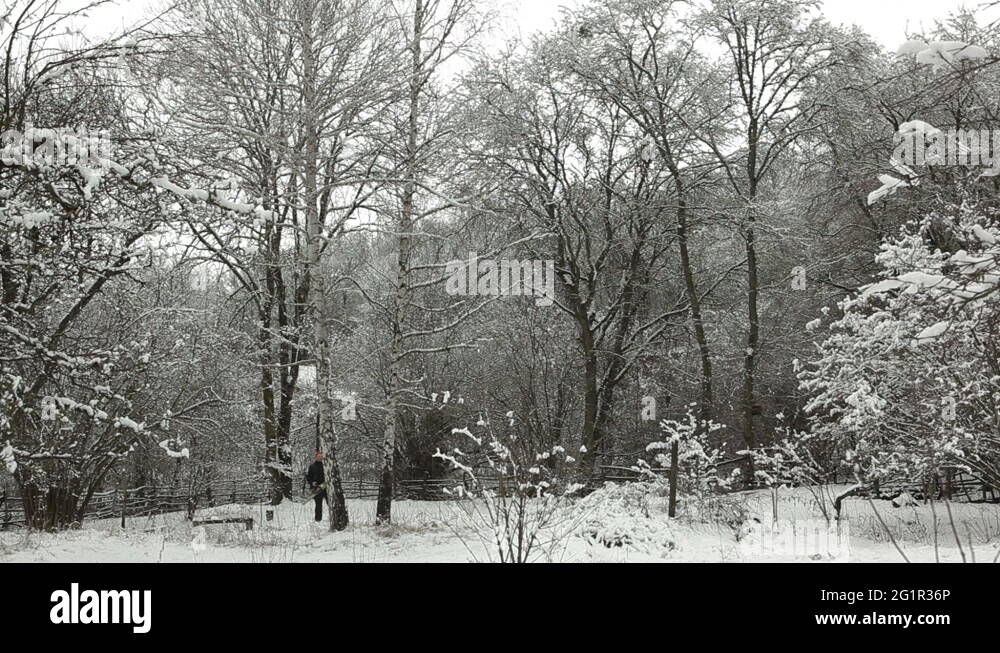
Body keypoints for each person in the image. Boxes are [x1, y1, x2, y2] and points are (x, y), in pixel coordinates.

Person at [305, 451, 327, 522]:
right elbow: (308, 477)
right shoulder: (312, 466)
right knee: (318, 505)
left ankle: (333, 519)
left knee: (330, 503)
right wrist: (312, 482)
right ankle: (318, 519)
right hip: (317, 487)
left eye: (321, 456)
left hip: (326, 486)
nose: (320, 458)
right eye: (318, 456)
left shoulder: (326, 465)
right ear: (315, 457)